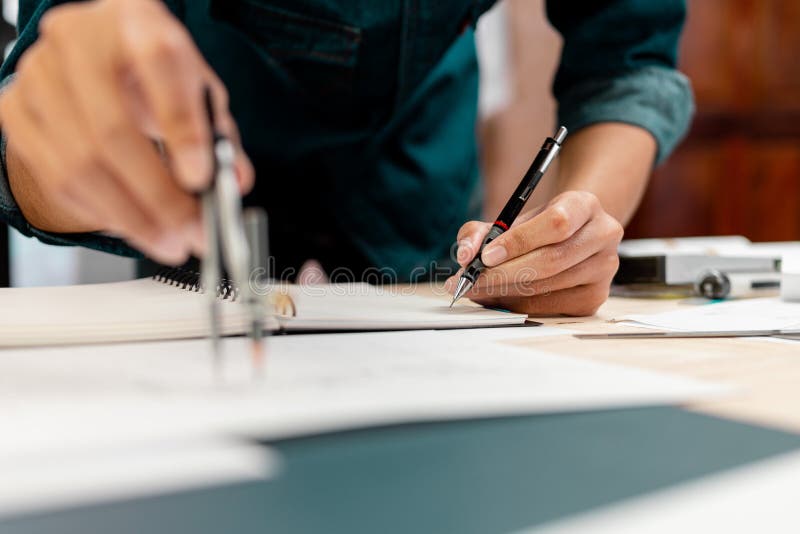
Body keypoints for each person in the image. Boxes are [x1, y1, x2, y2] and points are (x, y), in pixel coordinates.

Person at [0, 0, 693, 315]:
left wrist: (571, 230)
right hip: (195, 172)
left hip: (414, 186)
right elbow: (45, 103)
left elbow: (625, 65)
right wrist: (46, 150)